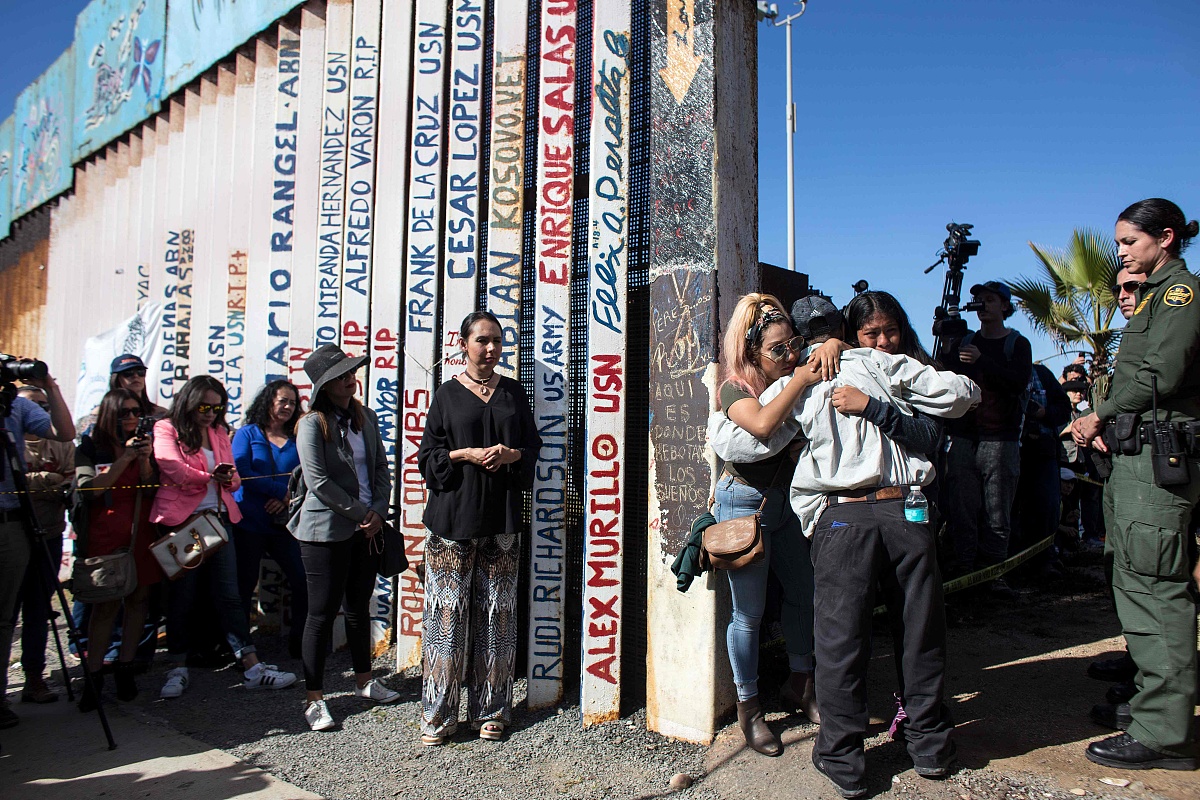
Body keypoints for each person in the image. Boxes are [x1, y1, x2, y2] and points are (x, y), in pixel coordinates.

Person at [711, 295, 979, 797]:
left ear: (800, 341)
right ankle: (930, 747)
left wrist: (793, 392)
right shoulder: (880, 364)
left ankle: (843, 758)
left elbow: (742, 443)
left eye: (789, 343)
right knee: (920, 631)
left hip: (843, 518)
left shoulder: (795, 387)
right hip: (908, 510)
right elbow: (963, 394)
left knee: (839, 640)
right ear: (841, 331)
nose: (787, 352)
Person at [1070, 198, 1200, 771]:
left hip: (1157, 461)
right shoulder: (1153, 297)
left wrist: (1100, 414)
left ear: (1164, 237)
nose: (1119, 252)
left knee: (1157, 586)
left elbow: (1157, 375)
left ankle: (1163, 732)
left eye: (1127, 242)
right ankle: (1151, 706)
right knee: (1135, 578)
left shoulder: (1180, 296)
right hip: (1135, 458)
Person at [709, 294, 838, 755]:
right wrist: (801, 376)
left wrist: (829, 346)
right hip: (744, 502)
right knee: (749, 612)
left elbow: (833, 353)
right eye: (778, 350)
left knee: (803, 595)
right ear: (751, 353)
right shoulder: (733, 389)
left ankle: (801, 684)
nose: (789, 356)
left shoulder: (792, 369)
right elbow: (763, 426)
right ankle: (749, 709)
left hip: (787, 500)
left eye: (794, 344)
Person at [417, 312, 542, 746]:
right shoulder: (447, 396)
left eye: (497, 341)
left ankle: (492, 711)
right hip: (452, 523)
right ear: (464, 344)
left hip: (501, 522)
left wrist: (510, 455)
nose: (490, 349)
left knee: (498, 617)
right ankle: (438, 715)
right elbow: (427, 457)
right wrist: (463, 455)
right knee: (445, 620)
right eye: (482, 341)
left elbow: (533, 448)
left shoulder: (513, 393)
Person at [151, 375, 296, 700]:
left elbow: (233, 481)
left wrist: (225, 479)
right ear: (189, 401)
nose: (210, 413)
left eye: (217, 408)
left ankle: (251, 665)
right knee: (184, 595)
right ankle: (177, 666)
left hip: (219, 520)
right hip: (184, 524)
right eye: (204, 406)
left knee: (231, 595)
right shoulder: (167, 428)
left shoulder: (218, 432)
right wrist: (210, 477)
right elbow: (171, 467)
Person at [291, 346, 398, 732]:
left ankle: (365, 681)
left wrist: (379, 512)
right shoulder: (310, 424)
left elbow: (382, 468)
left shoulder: (366, 417)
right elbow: (317, 482)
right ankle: (314, 699)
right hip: (324, 532)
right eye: (340, 376)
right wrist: (360, 513)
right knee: (320, 615)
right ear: (324, 386)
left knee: (359, 607)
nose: (350, 379)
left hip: (366, 529)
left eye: (351, 372)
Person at [943, 281, 1033, 591]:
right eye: (979, 300)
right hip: (964, 437)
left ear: (1005, 306)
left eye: (990, 300)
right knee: (962, 508)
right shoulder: (965, 341)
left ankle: (993, 575)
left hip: (1000, 439)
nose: (983, 304)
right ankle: (966, 573)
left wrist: (982, 360)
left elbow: (1018, 382)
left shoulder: (1016, 344)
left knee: (997, 510)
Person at [73, 389, 159, 709]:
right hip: (105, 535)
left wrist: (146, 459)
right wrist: (124, 458)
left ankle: (126, 667)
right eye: (124, 412)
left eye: (136, 412)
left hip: (141, 533)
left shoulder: (143, 446)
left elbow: (152, 489)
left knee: (138, 601)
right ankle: (93, 676)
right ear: (110, 413)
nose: (132, 418)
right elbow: (89, 491)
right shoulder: (90, 447)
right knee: (105, 607)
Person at [0, 365, 75, 730]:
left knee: (29, 610)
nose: (41, 410)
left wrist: (50, 386)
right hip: (16, 519)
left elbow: (66, 435)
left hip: (32, 526)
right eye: (39, 404)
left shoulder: (15, 407)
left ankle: (30, 679)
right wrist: (46, 478)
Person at [232, 381, 307, 659]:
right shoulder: (247, 433)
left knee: (302, 579)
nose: (287, 407)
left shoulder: (297, 437)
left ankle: (300, 645)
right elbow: (243, 470)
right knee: (243, 586)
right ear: (268, 402)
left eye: (292, 402)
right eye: (282, 401)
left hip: (283, 525)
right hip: (249, 523)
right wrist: (282, 492)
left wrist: (288, 498)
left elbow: (308, 473)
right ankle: (241, 650)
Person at [77, 354, 168, 437]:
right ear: (116, 378)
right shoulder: (99, 413)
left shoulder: (160, 413)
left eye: (140, 372)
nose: (136, 376)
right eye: (128, 373)